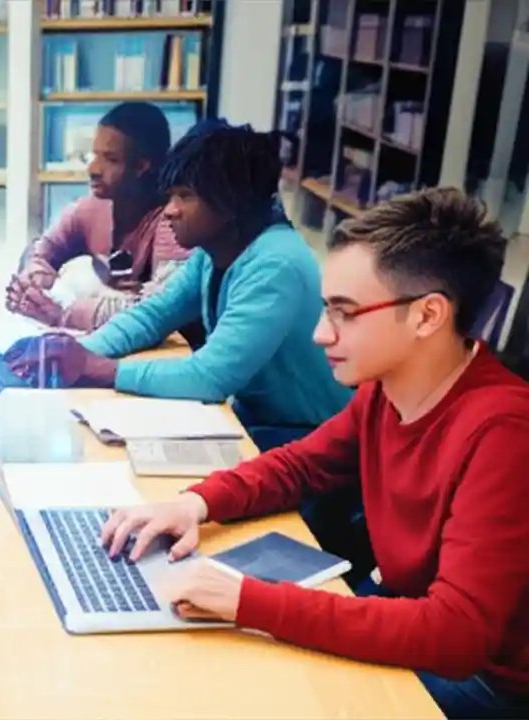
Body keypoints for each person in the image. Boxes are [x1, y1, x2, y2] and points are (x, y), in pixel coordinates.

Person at [98, 188, 529, 720]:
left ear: (427, 316)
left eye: (344, 314)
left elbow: (455, 635)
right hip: (410, 618)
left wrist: (247, 601)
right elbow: (301, 464)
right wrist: (194, 504)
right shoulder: (387, 389)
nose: (321, 334)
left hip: (487, 686)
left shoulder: (504, 433)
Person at [5, 121, 351, 449]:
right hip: (260, 420)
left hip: (311, 439)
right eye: (170, 196)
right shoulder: (216, 250)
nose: (169, 210)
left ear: (230, 202)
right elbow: (152, 316)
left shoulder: (275, 264)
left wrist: (97, 367)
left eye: (185, 196)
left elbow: (210, 377)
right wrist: (74, 353)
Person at [5, 102, 194, 337]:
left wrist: (63, 313)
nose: (93, 169)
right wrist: (33, 282)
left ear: (142, 166)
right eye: (94, 155)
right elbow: (39, 251)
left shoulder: (172, 220)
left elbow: (158, 310)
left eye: (110, 159)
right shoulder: (91, 209)